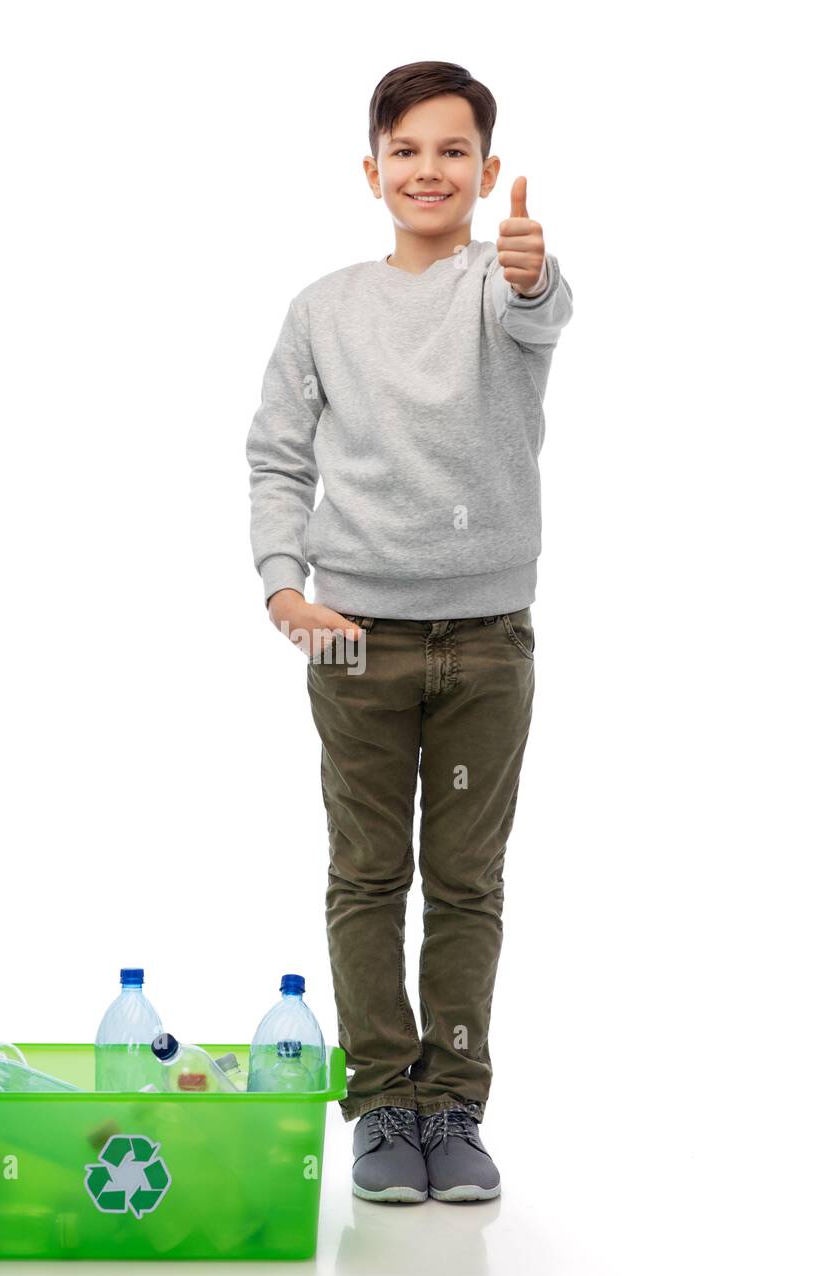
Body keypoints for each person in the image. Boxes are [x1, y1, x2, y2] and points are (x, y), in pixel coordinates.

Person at [246, 60, 574, 1203]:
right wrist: (285, 586)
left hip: (488, 635)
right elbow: (278, 455)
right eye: (405, 150)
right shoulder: (323, 309)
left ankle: (455, 1106)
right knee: (367, 874)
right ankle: (384, 1103)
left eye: (451, 152)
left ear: (485, 174)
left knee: (467, 881)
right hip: (353, 637)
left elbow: (542, 305)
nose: (426, 169)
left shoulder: (500, 284)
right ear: (371, 169)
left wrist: (531, 271)